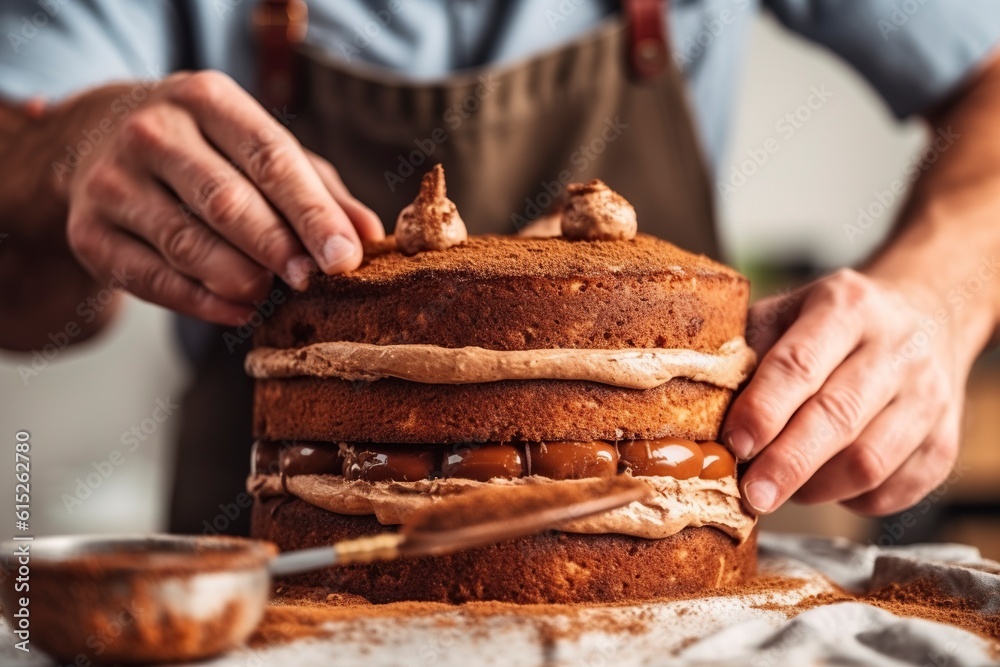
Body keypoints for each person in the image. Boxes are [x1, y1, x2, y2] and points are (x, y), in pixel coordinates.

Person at [2, 0, 999, 534]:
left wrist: (939, 292)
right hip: (275, 574)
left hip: (664, 583)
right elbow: (25, 303)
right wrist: (65, 161)